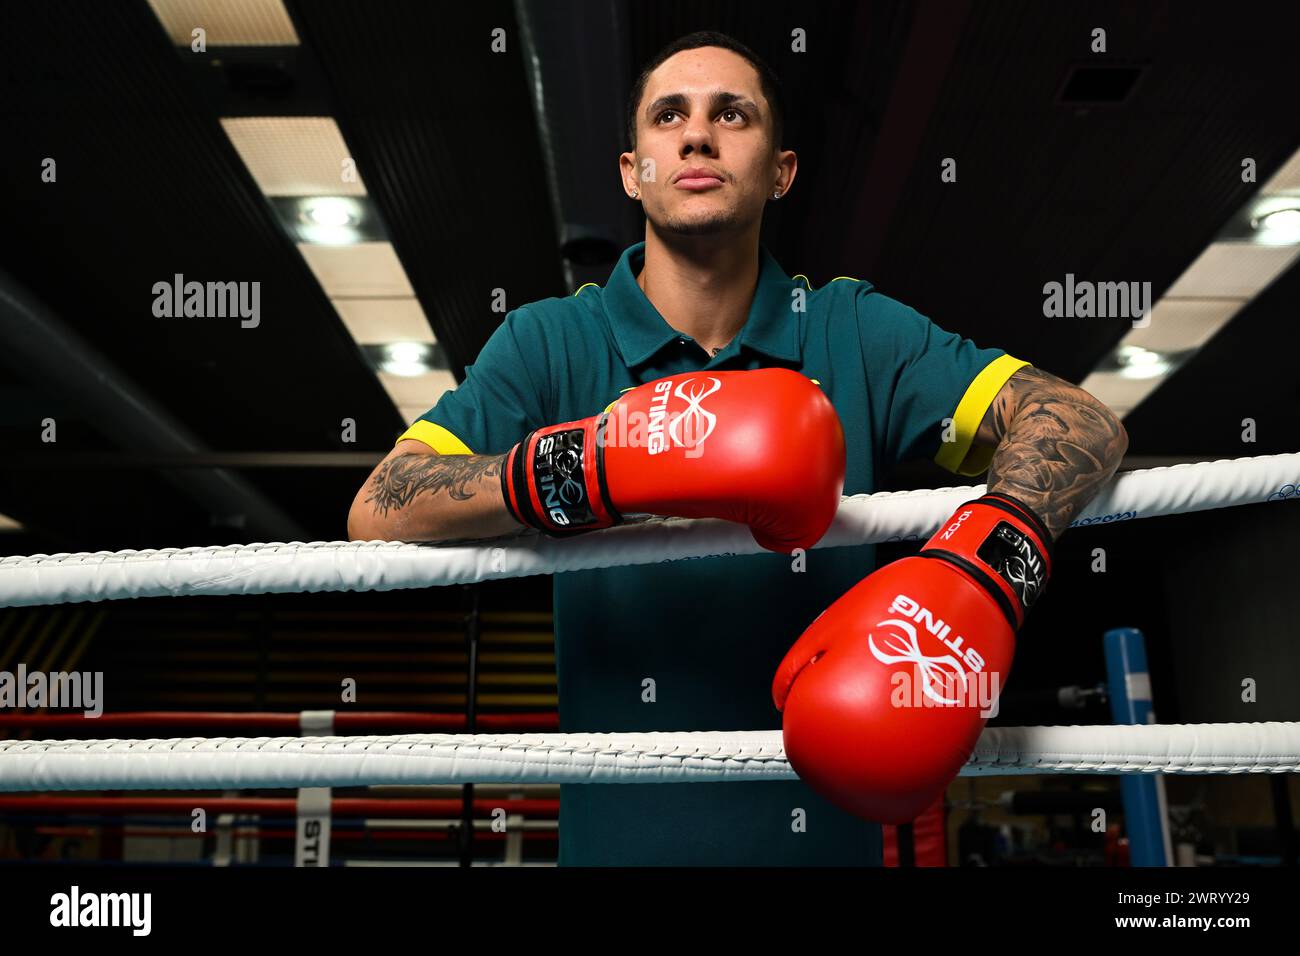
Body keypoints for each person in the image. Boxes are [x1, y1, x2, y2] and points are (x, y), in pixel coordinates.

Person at [347, 31, 1128, 865]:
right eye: (668, 115)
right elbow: (381, 502)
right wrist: (587, 467)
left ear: (782, 171)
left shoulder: (852, 329)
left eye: (733, 114)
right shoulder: (549, 341)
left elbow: (1077, 418)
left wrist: (984, 573)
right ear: (630, 170)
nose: (696, 135)